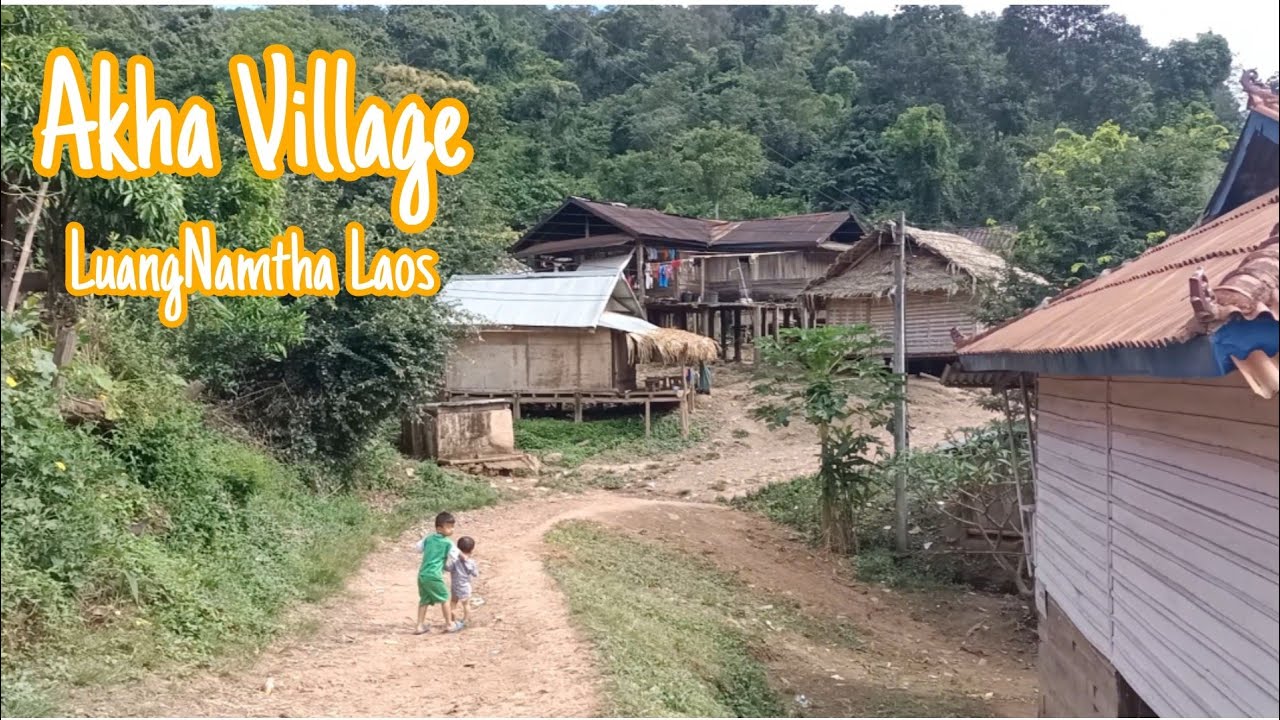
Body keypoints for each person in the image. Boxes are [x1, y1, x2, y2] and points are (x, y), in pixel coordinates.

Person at [415, 511, 462, 635]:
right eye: (448, 527)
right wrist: (466, 559)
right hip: (435, 575)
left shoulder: (428, 538)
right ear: (439, 528)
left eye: (452, 527)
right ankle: (449, 624)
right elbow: (456, 555)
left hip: (422, 575)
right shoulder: (447, 543)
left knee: (424, 600)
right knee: (445, 599)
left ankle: (419, 625)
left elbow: (418, 548)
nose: (451, 530)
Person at [447, 536, 479, 627]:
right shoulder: (471, 562)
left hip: (455, 586)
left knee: (453, 603)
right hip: (465, 586)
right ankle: (465, 620)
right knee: (466, 604)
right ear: (471, 550)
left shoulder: (454, 561)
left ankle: (452, 620)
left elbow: (448, 568)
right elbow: (475, 574)